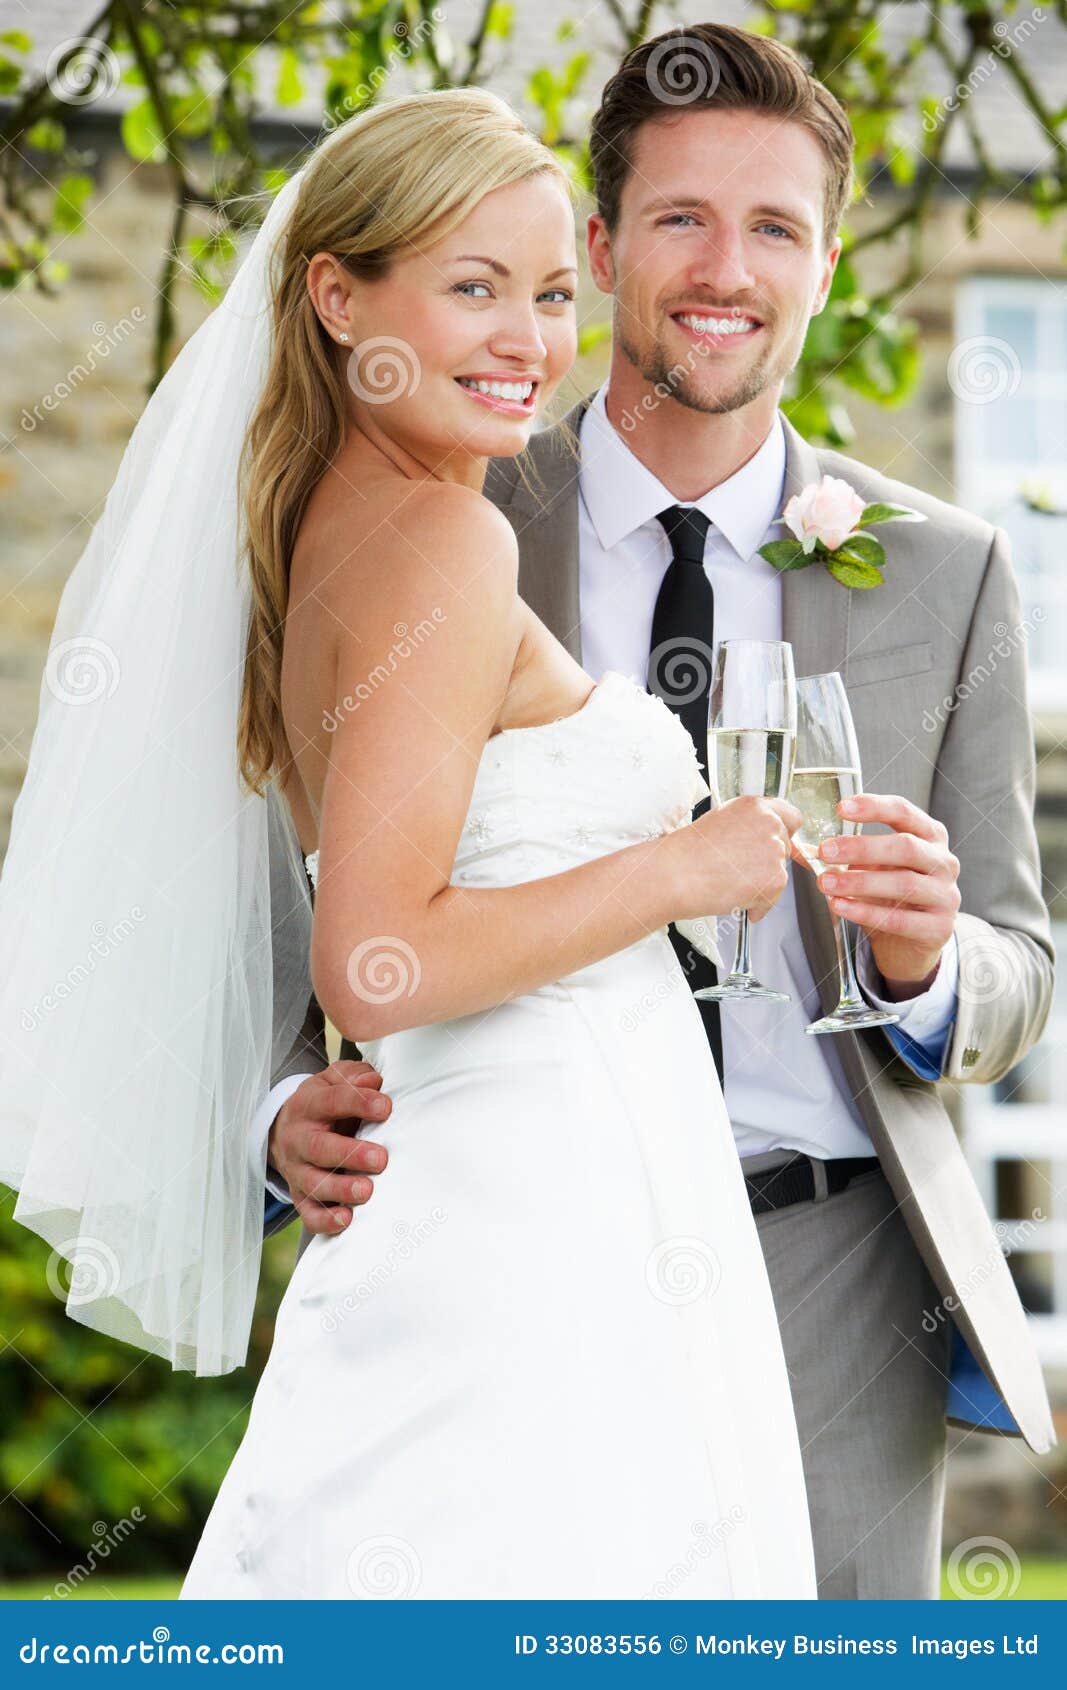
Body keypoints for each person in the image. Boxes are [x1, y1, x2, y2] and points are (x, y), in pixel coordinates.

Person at [255, 29, 1056, 1600]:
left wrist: (923, 967)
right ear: (604, 244)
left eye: (775, 228)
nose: (726, 270)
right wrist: (276, 1113)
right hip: (513, 1261)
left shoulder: (948, 572)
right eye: (682, 217)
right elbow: (294, 896)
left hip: (836, 1282)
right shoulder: (444, 511)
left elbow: (1021, 960)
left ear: (827, 265)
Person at [154, 86, 817, 1598]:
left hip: (507, 1185)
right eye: (474, 288)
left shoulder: (338, 528)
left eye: (553, 294)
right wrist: (681, 870)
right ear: (338, 297)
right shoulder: (445, 537)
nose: (528, 338)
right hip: (540, 1217)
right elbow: (376, 958)